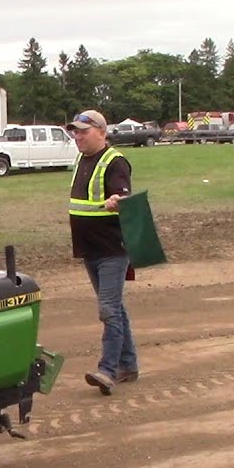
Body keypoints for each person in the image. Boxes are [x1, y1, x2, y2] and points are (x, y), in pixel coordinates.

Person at [65, 109, 138, 396]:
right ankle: (128, 365)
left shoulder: (115, 162)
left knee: (108, 310)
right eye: (75, 132)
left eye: (84, 131)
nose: (78, 136)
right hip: (89, 249)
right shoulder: (83, 159)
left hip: (112, 249)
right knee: (115, 308)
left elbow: (127, 197)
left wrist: (118, 200)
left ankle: (108, 370)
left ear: (101, 132)